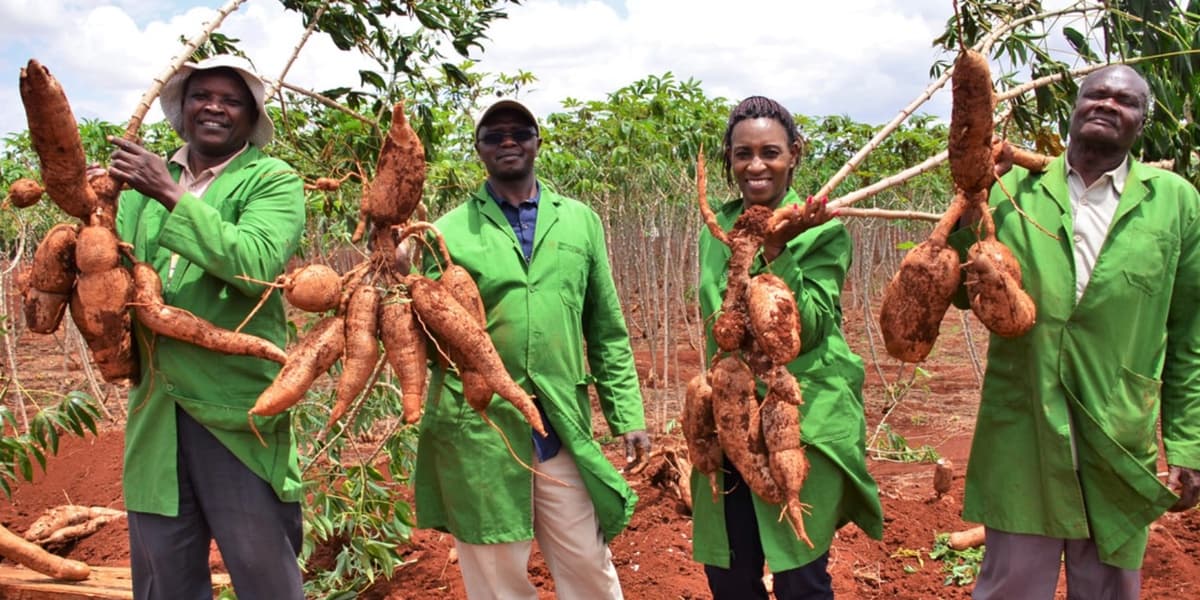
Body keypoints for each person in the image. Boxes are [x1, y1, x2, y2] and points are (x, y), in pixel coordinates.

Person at [956, 64, 1200, 599]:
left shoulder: (1175, 201)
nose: (1109, 104)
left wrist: (1186, 445)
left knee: (1110, 587)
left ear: (1143, 121)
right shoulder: (1011, 185)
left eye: (1126, 101)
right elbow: (955, 289)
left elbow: (1189, 335)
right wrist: (969, 192)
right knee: (1011, 585)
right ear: (1075, 105)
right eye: (1097, 94)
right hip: (1024, 428)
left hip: (1117, 428)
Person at [409, 98, 651, 600]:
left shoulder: (580, 221)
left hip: (558, 416)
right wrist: (395, 269)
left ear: (538, 142)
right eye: (494, 136)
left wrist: (627, 413)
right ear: (478, 151)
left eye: (519, 132)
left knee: (586, 557)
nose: (508, 142)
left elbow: (605, 326)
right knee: (495, 570)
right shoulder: (445, 232)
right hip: (482, 424)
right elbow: (422, 329)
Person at [105, 55, 306, 600]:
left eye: (231, 99)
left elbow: (257, 263)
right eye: (201, 95)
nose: (213, 107)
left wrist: (168, 196)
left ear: (250, 116)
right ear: (182, 108)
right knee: (163, 577)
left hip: (235, 410)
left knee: (266, 574)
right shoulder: (146, 179)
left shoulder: (271, 179)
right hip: (155, 409)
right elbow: (118, 269)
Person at [692, 95, 884, 599]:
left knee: (800, 573)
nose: (756, 165)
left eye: (771, 152)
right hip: (730, 411)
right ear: (729, 158)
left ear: (795, 153)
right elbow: (719, 318)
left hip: (798, 413)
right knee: (729, 574)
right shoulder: (716, 230)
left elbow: (813, 327)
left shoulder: (821, 228)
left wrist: (778, 250)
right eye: (742, 153)